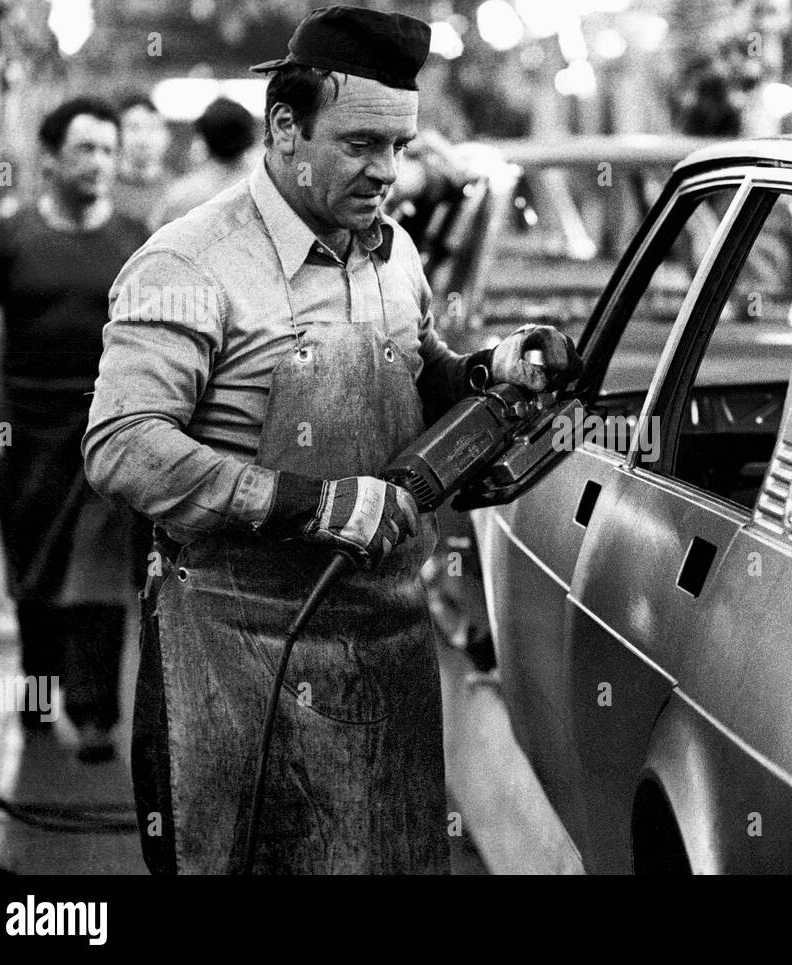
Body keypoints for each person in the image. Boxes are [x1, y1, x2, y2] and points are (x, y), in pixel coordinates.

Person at [83, 6, 580, 874]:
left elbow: (418, 365)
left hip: (386, 637)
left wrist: (490, 369)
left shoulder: (393, 254)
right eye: (358, 145)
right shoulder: (190, 265)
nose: (386, 172)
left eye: (398, 147)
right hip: (237, 646)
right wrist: (312, 502)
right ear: (285, 127)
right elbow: (123, 444)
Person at [0, 97, 148, 761]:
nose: (100, 163)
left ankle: (92, 714)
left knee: (98, 576)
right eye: (85, 149)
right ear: (50, 159)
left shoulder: (135, 236)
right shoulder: (9, 239)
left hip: (105, 432)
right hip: (25, 433)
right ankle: (39, 691)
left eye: (108, 150)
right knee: (33, 576)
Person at [154, 97, 258, 226]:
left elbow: (155, 237)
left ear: (203, 139)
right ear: (250, 139)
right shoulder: (265, 192)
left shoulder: (181, 196)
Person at [111, 94, 171, 231]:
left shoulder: (177, 190)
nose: (144, 138)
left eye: (153, 128)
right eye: (134, 128)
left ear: (167, 136)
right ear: (117, 134)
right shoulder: (101, 189)